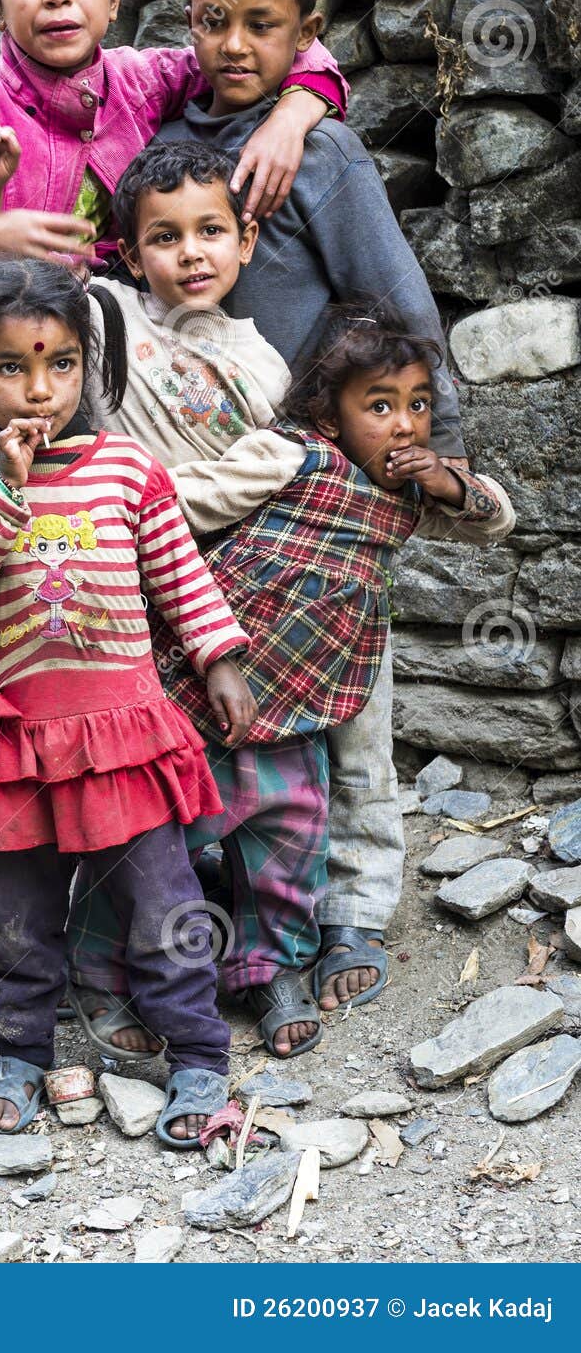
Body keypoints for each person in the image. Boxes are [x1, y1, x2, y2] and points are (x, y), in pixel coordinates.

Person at [0, 0, 348, 903]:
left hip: (110, 452)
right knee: (0, 688)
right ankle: (14, 918)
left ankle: (127, 909)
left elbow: (299, 47)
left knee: (115, 689)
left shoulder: (145, 80)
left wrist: (297, 111)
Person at [154, 0, 470, 1011]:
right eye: (212, 20)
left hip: (330, 485)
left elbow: (399, 302)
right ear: (184, 23)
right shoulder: (175, 134)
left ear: (309, 34)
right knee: (242, 717)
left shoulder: (319, 150)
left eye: (263, 26)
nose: (235, 43)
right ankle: (252, 914)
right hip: (222, 483)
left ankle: (356, 907)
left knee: (354, 708)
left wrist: (426, 455)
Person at [69, 303, 515, 1054]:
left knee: (289, 833)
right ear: (327, 416)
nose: (404, 425)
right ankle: (101, 968)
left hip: (307, 695)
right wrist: (86, 512)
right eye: (379, 406)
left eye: (417, 406)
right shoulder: (288, 456)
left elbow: (495, 520)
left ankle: (268, 966)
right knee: (162, 829)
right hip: (208, 674)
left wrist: (450, 481)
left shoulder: (408, 498)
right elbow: (181, 501)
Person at [0, 257, 257, 1145]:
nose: (38, 389)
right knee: (16, 914)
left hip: (125, 736)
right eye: (10, 367)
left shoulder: (123, 470)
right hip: (22, 740)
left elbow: (178, 573)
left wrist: (218, 657)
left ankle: (197, 1055)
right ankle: (19, 1053)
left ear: (88, 367)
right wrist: (6, 485)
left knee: (163, 902)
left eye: (60, 364)